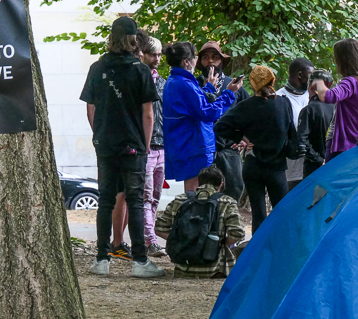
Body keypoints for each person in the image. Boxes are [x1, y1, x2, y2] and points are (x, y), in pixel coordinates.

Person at [79, 16, 165, 278]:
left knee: (105, 200)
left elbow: (90, 108)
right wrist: (145, 144)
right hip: (133, 145)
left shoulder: (97, 68)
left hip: (105, 143)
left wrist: (100, 135)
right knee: (135, 200)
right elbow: (147, 113)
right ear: (133, 40)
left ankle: (102, 259)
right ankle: (139, 261)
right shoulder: (139, 70)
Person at [214, 65, 296, 233]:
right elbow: (291, 134)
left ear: (252, 85)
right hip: (277, 167)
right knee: (283, 214)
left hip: (253, 166)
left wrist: (242, 138)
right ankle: (281, 250)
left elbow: (220, 126)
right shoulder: (283, 103)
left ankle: (257, 255)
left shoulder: (247, 106)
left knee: (258, 215)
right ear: (273, 81)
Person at [162, 42, 243, 192]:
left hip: (190, 145)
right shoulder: (184, 84)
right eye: (195, 58)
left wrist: (209, 88)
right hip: (193, 146)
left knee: (198, 193)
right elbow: (207, 112)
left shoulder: (178, 81)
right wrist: (229, 93)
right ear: (187, 62)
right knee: (195, 194)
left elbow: (195, 104)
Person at [155, 165, 246, 278]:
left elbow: (159, 228)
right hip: (215, 271)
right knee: (247, 245)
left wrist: (179, 241)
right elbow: (238, 233)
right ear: (221, 184)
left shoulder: (180, 199)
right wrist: (220, 245)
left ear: (198, 182)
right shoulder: (226, 202)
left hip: (184, 270)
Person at [312, 38, 358, 162]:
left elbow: (328, 96)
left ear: (343, 60)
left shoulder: (350, 82)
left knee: (331, 180)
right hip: (355, 144)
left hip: (342, 146)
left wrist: (318, 80)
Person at [139, 36, 167, 257]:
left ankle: (149, 237)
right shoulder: (137, 78)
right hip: (144, 146)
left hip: (162, 146)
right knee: (145, 196)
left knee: (155, 196)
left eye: (159, 54)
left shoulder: (163, 83)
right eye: (152, 54)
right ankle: (149, 240)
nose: (157, 58)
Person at [276, 58, 313, 190]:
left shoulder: (313, 97)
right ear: (300, 75)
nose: (313, 80)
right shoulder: (277, 98)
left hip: (310, 167)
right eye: (310, 75)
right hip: (287, 170)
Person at [298, 69, 335, 177]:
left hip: (314, 167)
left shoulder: (309, 110)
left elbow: (302, 140)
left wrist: (318, 160)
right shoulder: (336, 107)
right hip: (333, 164)